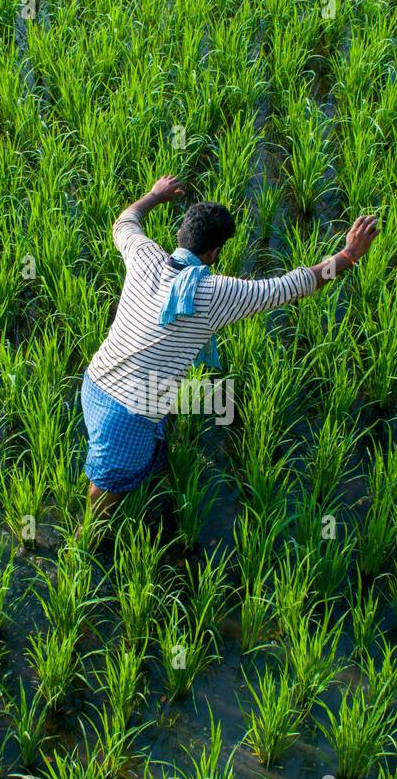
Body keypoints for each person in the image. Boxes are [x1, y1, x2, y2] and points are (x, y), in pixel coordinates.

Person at [80, 174, 379, 524]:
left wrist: (154, 195)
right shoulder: (215, 293)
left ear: (180, 234)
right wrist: (348, 255)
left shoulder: (145, 256)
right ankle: (85, 540)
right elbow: (294, 285)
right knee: (106, 484)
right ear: (214, 252)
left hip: (96, 381)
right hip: (129, 410)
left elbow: (125, 221)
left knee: (118, 451)